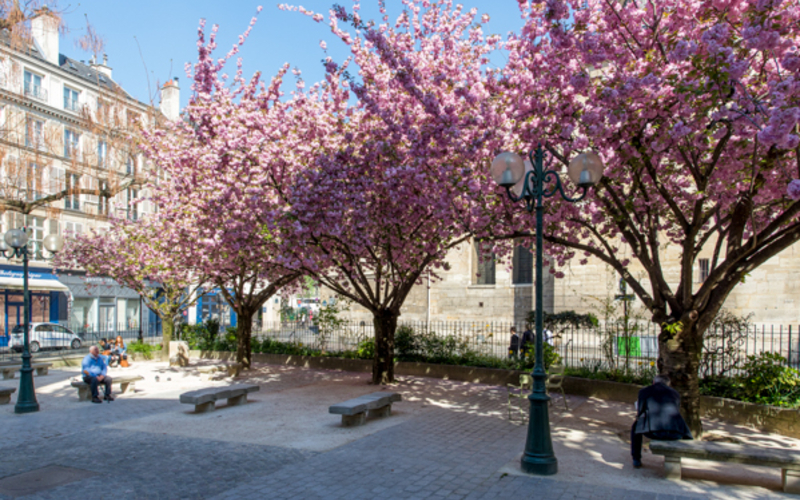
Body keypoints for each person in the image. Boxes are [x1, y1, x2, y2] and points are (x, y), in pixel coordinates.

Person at [631, 374, 692, 468]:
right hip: (675, 432)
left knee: (635, 427)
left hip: (654, 432)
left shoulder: (644, 391)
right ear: (668, 384)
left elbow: (640, 411)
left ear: (654, 382)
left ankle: (636, 458)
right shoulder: (675, 393)